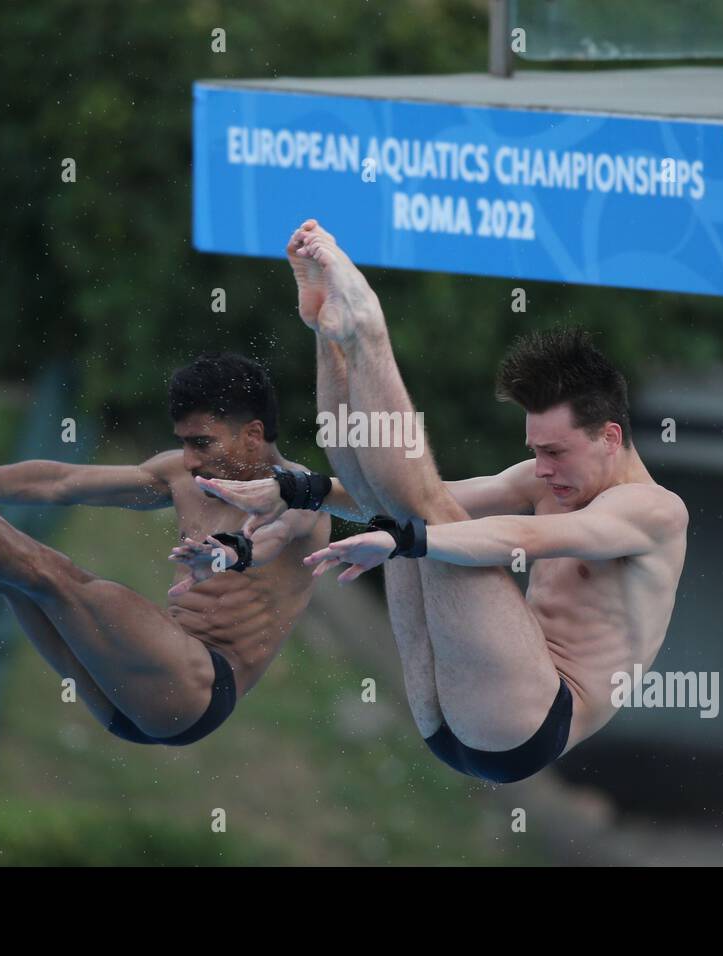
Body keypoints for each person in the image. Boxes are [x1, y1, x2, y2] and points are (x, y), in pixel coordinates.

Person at [197, 220, 688, 783]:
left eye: (555, 451)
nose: (543, 468)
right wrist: (297, 491)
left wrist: (405, 537)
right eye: (535, 451)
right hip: (449, 714)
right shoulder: (543, 480)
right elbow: (398, 501)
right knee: (396, 503)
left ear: (608, 436)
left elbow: (518, 538)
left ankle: (369, 331)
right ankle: (331, 334)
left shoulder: (655, 511)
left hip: (529, 721)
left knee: (418, 517)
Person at [0, 352, 329, 746]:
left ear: (253, 434)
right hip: (126, 689)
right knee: (9, 577)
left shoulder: (300, 498)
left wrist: (231, 551)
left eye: (203, 444)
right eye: (185, 442)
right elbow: (59, 482)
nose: (189, 460)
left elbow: (270, 538)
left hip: (194, 691)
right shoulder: (182, 474)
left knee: (54, 575)